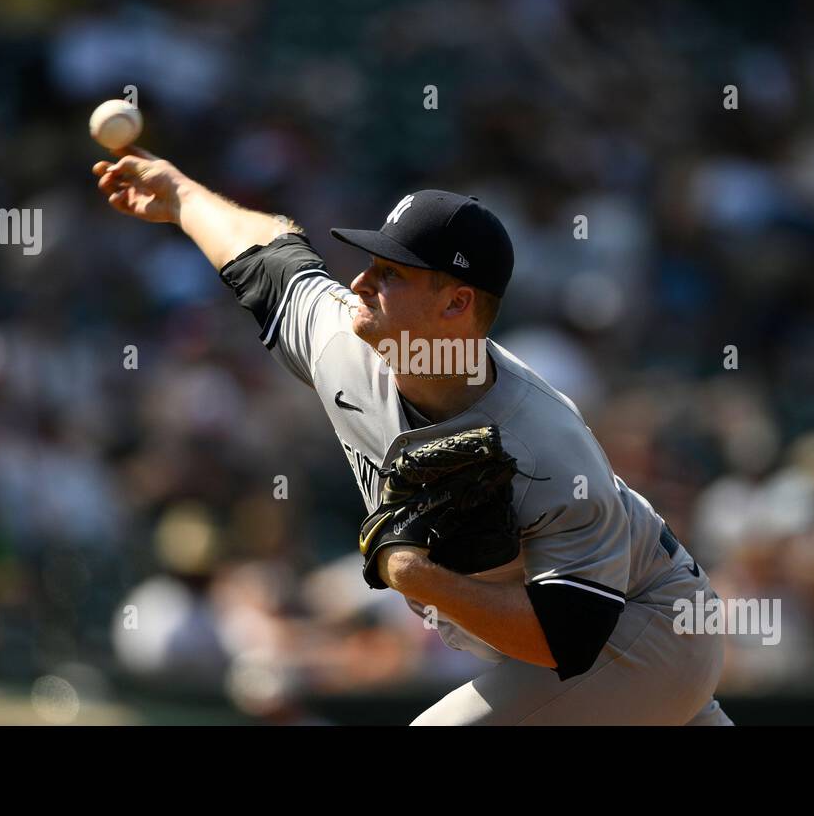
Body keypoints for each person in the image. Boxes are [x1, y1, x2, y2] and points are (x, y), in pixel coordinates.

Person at [92, 148, 733, 725]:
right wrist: (181, 196)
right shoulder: (349, 341)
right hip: (593, 648)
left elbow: (566, 637)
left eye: (392, 273)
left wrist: (413, 574)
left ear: (456, 306)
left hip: (638, 631)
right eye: (370, 264)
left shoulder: (545, 443)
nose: (359, 284)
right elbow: (266, 255)